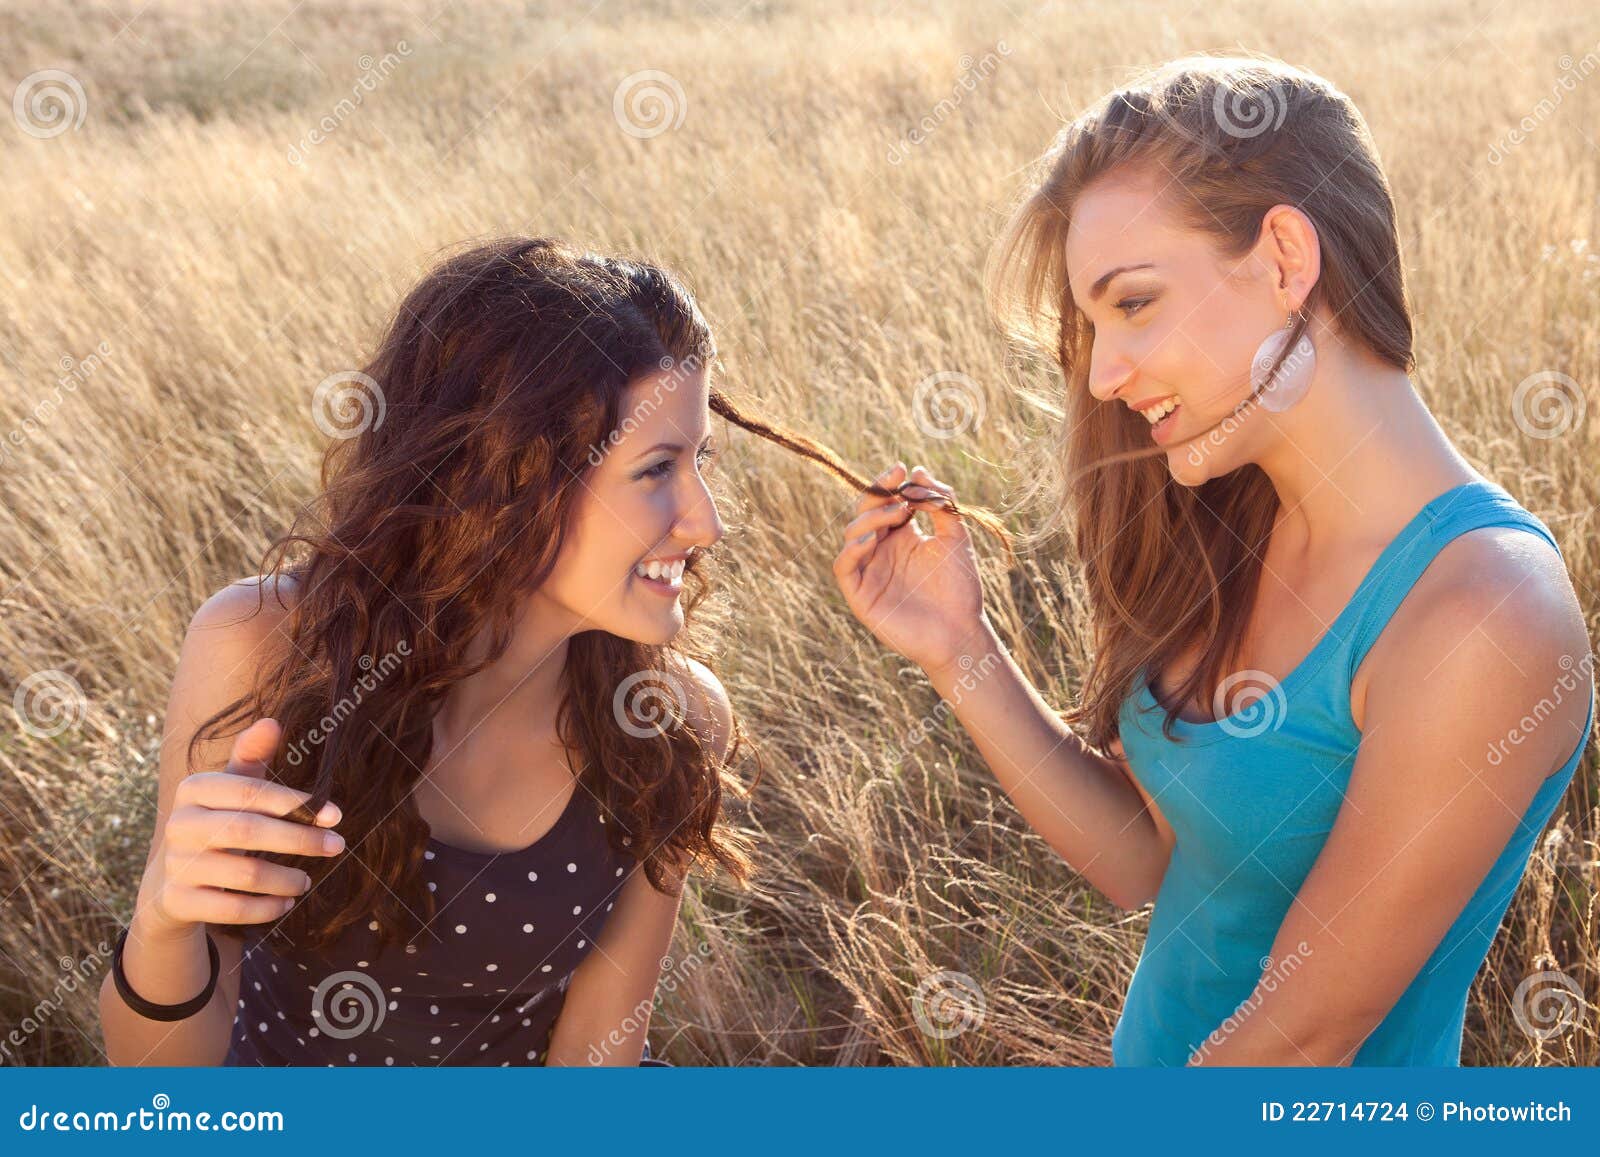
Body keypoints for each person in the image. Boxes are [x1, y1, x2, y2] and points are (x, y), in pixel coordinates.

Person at [832, 55, 1594, 1066]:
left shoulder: (1483, 611)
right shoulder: (1231, 517)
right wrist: (956, 648)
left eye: (1134, 304)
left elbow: (1298, 1038)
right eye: (1091, 325)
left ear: (1283, 257)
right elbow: (1145, 859)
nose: (1103, 375)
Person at [99, 236, 1000, 1067]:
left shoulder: (668, 723)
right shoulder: (266, 650)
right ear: (504, 478)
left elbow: (595, 1065)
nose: (706, 521)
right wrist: (165, 921)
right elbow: (159, 1084)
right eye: (655, 470)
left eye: (702, 462)